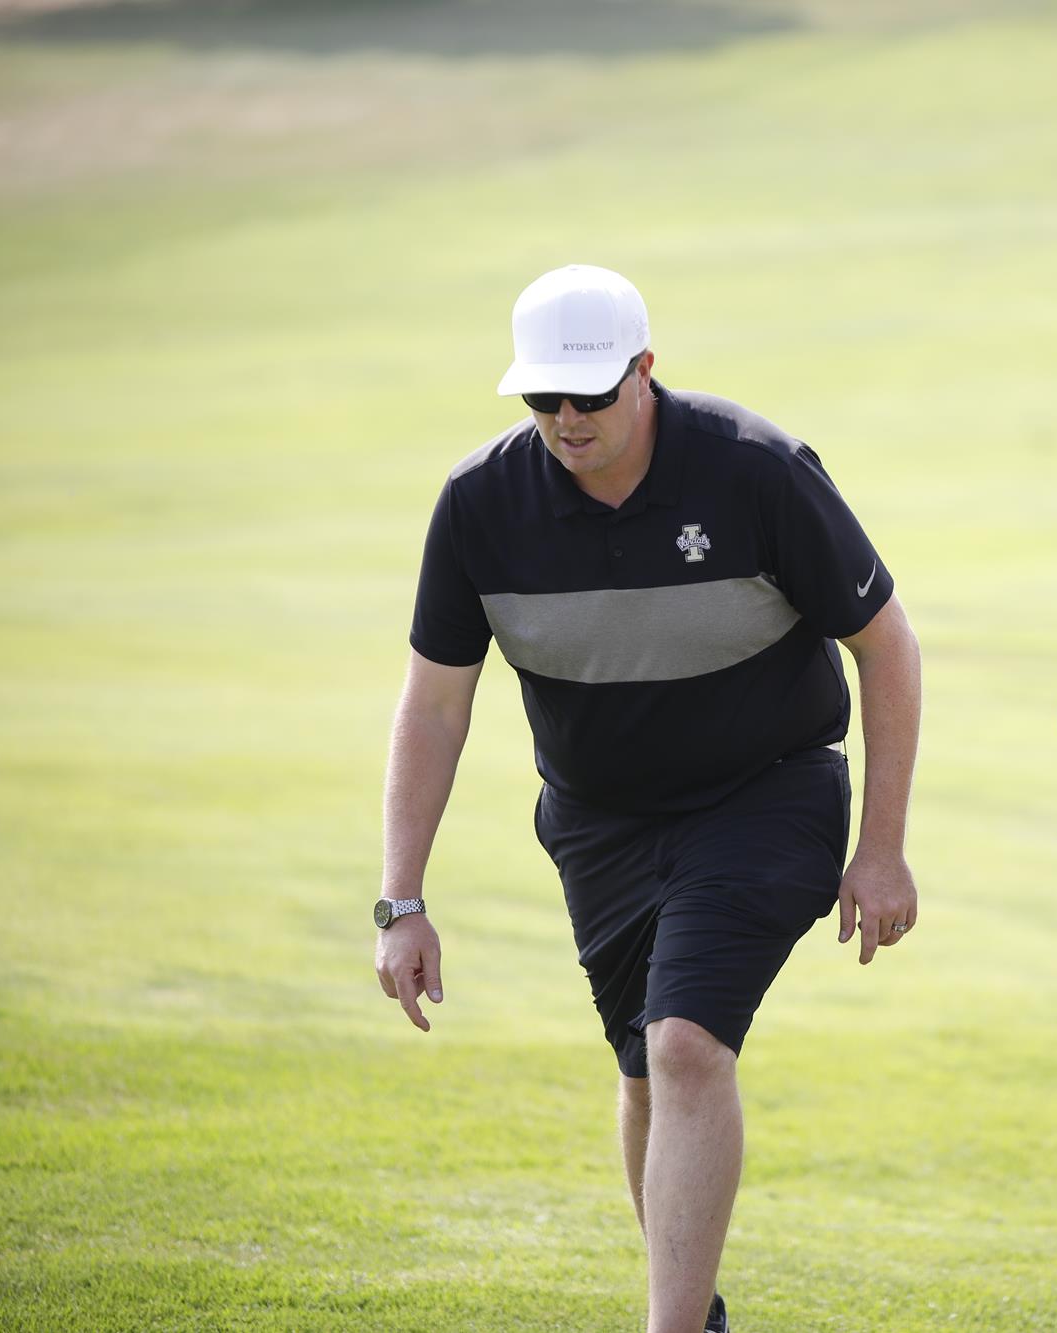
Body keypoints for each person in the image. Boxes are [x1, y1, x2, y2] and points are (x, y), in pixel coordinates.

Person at [373, 264, 922, 1333]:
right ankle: (696, 1311)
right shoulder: (480, 506)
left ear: (645, 372)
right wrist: (400, 897)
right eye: (543, 400)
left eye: (588, 394)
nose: (566, 420)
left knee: (682, 1045)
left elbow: (887, 649)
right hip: (598, 824)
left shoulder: (755, 471)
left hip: (768, 793)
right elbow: (434, 707)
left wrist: (881, 845)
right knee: (642, 1067)